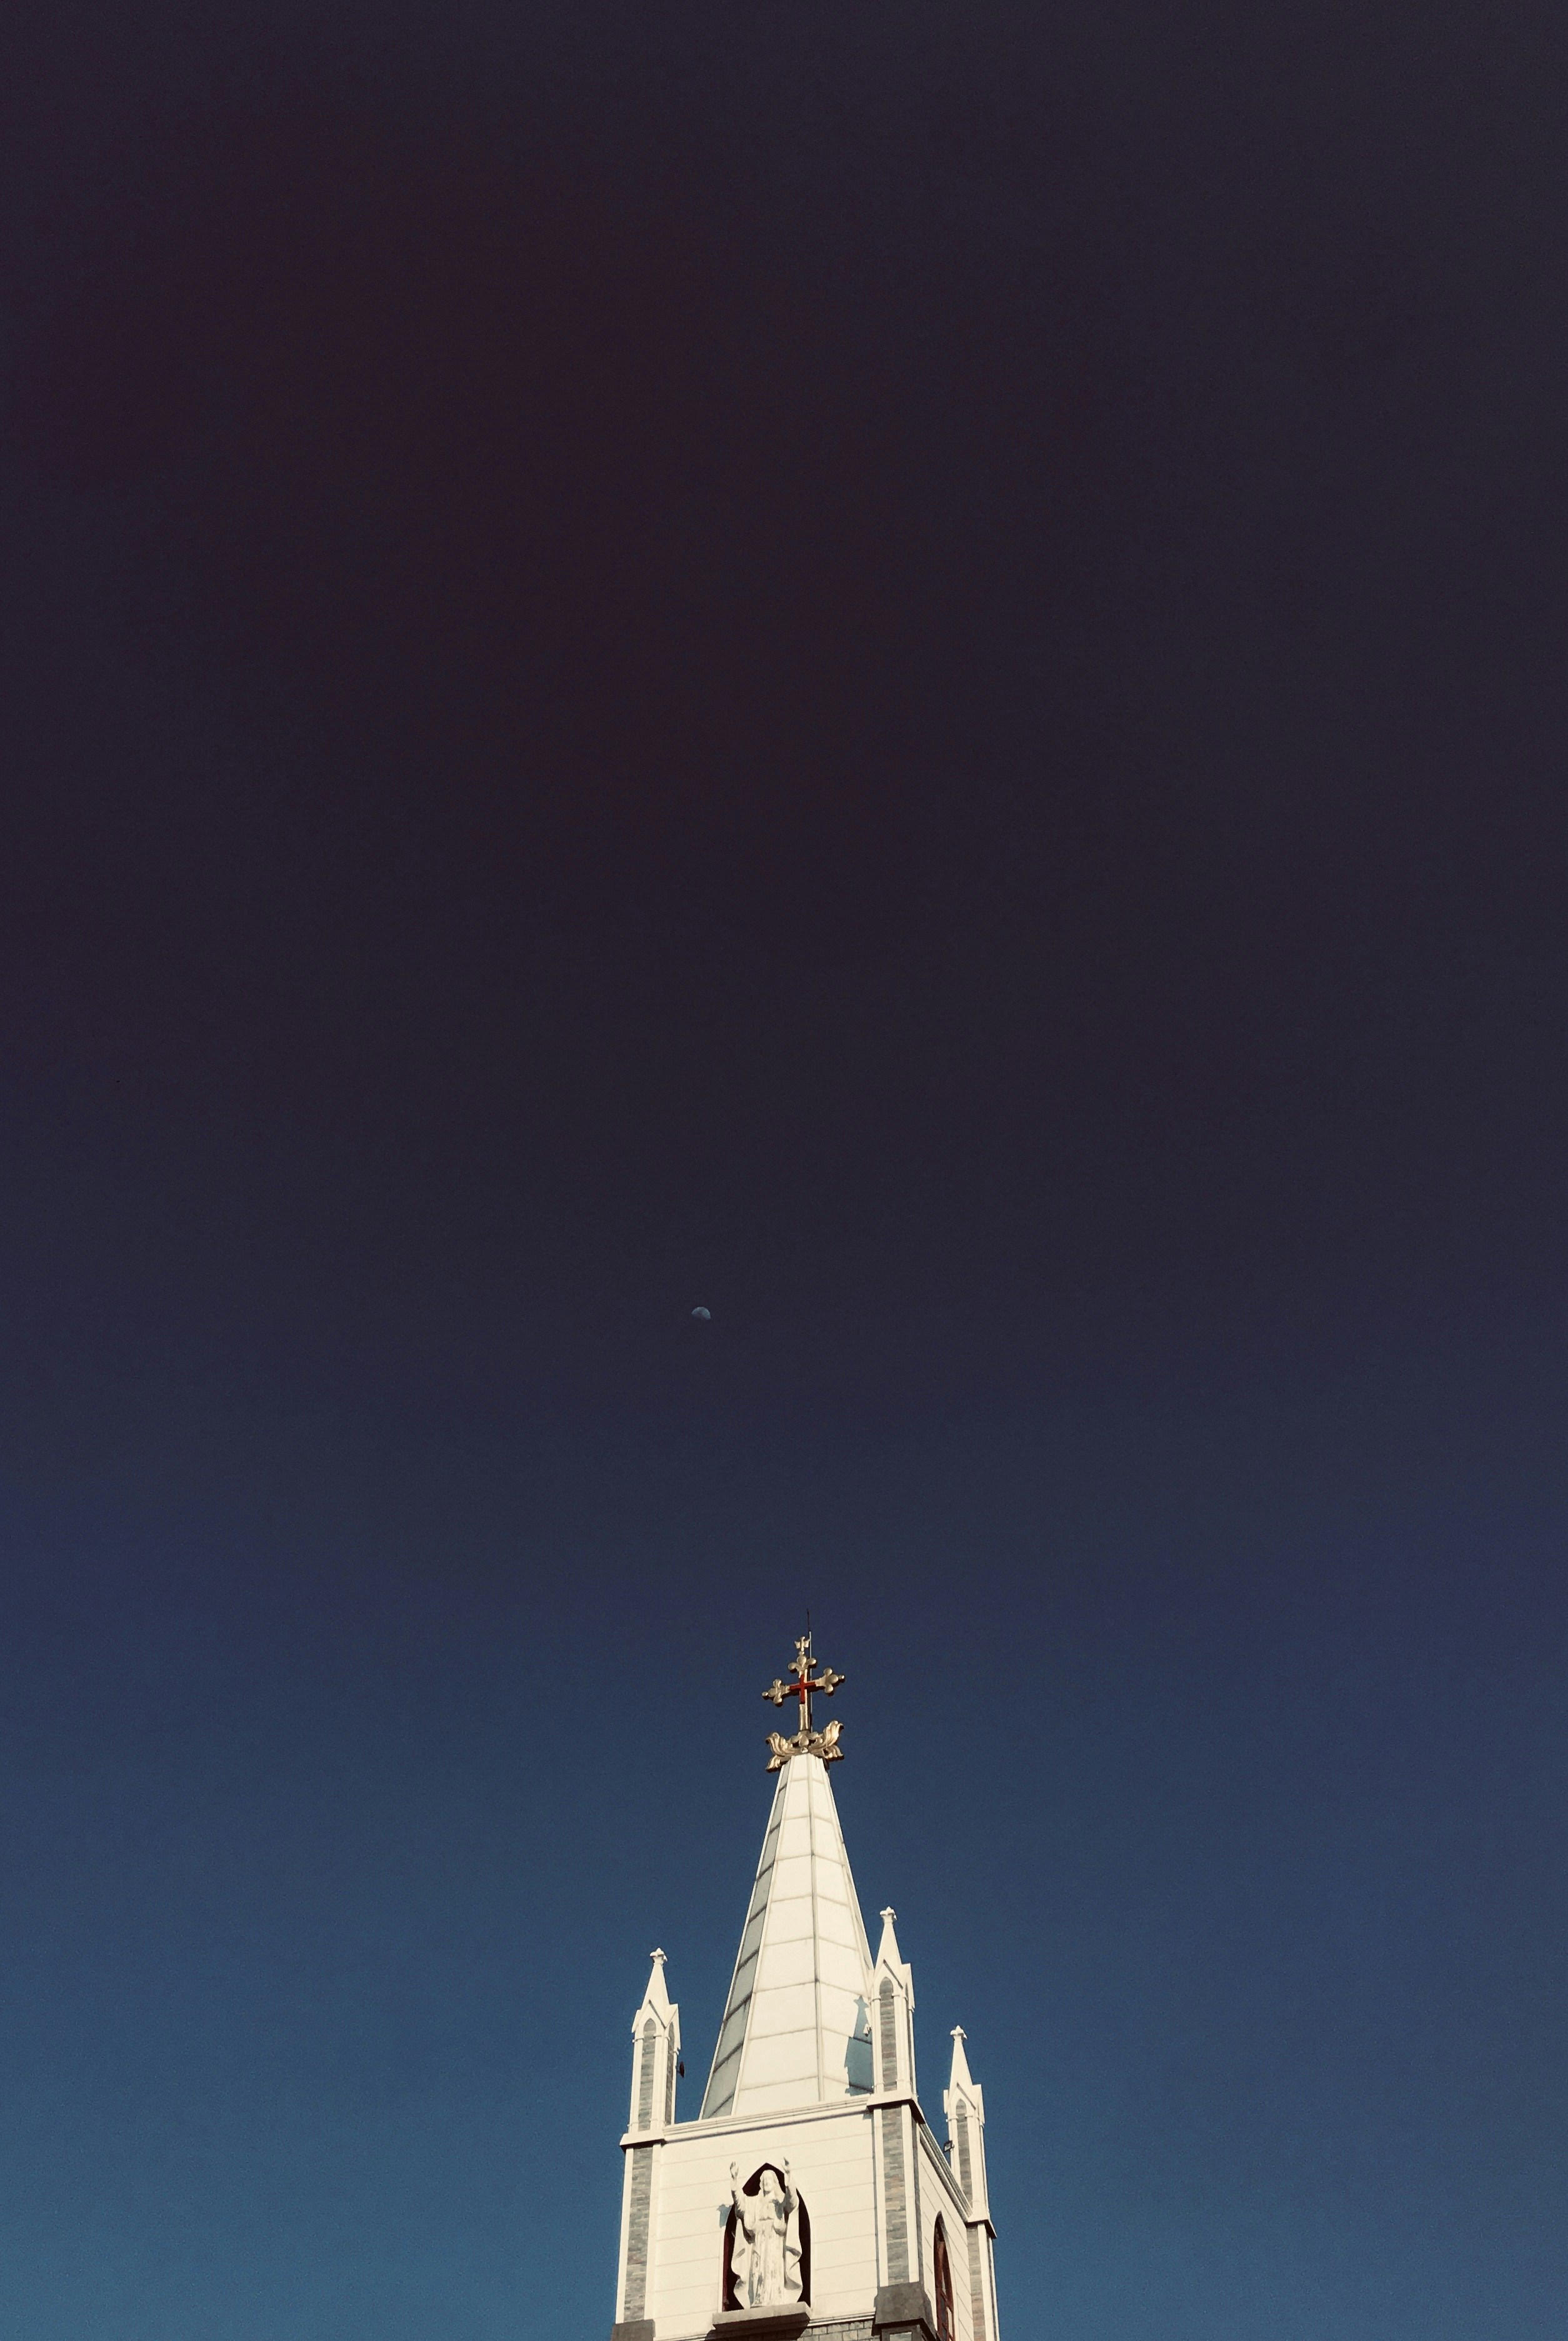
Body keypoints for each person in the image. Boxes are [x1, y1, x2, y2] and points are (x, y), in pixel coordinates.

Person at [729, 2160, 799, 2306]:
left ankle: (775, 2299)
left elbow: (792, 2202)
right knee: (757, 2270)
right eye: (764, 2180)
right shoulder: (755, 2203)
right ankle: (759, 2298)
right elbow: (740, 2205)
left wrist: (788, 2175)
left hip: (775, 2241)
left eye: (770, 2180)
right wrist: (735, 2181)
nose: (767, 2182)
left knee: (772, 2268)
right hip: (759, 2241)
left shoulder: (779, 2202)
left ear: (774, 2183)